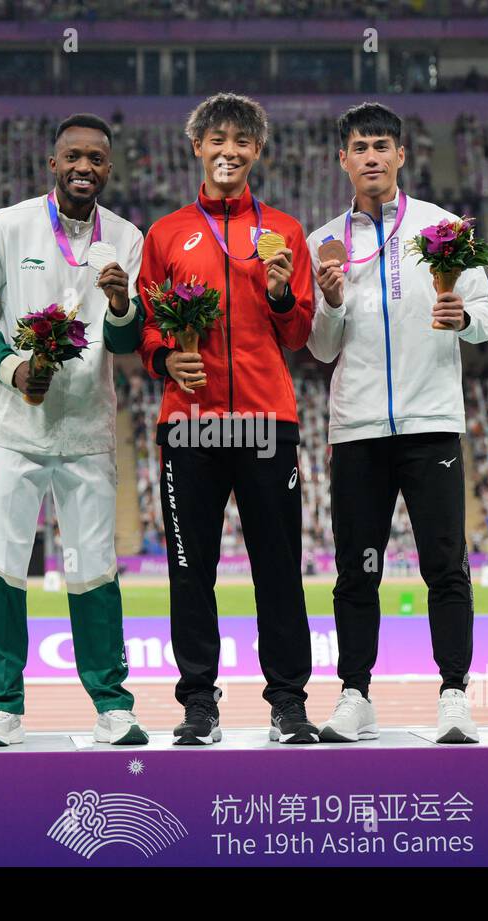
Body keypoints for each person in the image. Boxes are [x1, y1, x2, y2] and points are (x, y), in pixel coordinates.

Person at [0, 113, 148, 747]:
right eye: (74, 156)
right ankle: (3, 706)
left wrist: (121, 304)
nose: (84, 167)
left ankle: (113, 706)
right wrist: (12, 368)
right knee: (4, 565)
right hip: (15, 430)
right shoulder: (6, 227)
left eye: (96, 158)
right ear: (53, 164)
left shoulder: (127, 238)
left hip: (88, 429)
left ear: (108, 170)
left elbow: (127, 340)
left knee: (94, 568)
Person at [306, 103, 488, 744]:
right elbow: (321, 348)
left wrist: (463, 319)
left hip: (431, 423)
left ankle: (453, 695)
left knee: (445, 564)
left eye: (381, 145)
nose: (370, 156)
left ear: (401, 155)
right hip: (358, 428)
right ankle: (356, 694)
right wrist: (330, 304)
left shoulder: (445, 230)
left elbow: (487, 314)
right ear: (343, 159)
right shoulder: (324, 243)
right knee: (356, 570)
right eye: (358, 146)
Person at [136, 93, 318, 745]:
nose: (229, 150)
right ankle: (198, 706)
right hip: (189, 424)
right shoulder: (165, 233)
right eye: (217, 138)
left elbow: (298, 334)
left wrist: (278, 292)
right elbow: (149, 328)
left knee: (278, 566)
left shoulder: (285, 233)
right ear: (197, 147)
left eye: (242, 139)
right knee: (190, 570)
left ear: (257, 151)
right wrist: (164, 362)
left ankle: (289, 705)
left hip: (267, 421)